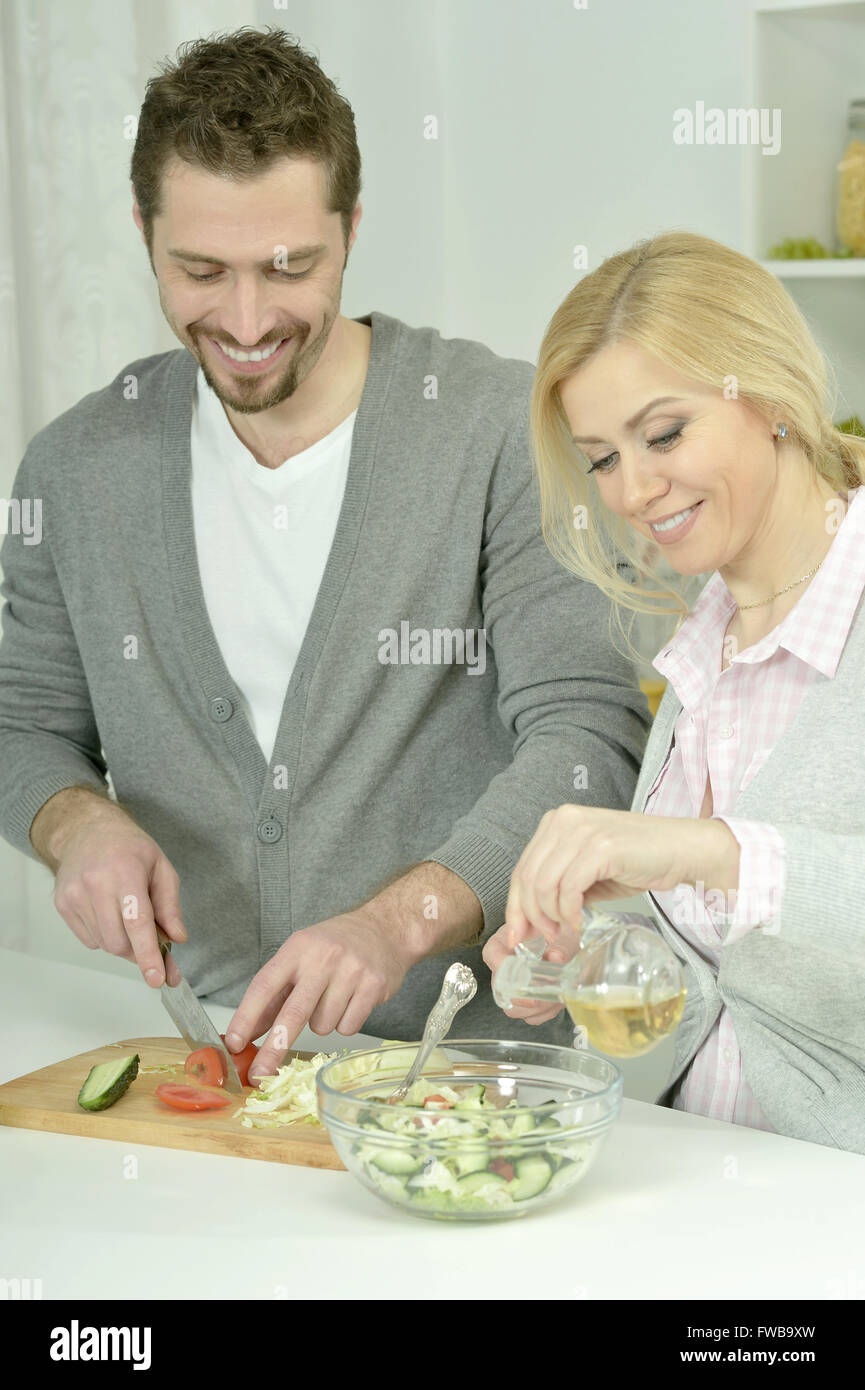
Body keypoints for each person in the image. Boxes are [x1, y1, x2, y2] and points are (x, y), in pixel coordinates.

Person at [0, 28, 652, 1079]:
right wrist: (74, 824)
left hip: (470, 1073)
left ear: (351, 227)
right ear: (142, 231)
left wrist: (398, 922)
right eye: (200, 270)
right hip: (209, 1064)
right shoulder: (73, 469)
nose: (246, 319)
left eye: (289, 267)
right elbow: (25, 723)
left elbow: (588, 738)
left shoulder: (497, 429)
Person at [483, 229, 865, 1154]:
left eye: (663, 435)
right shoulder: (701, 650)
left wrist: (706, 849)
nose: (632, 491)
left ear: (768, 394)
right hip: (697, 1181)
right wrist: (581, 961)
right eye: (602, 458)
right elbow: (729, 983)